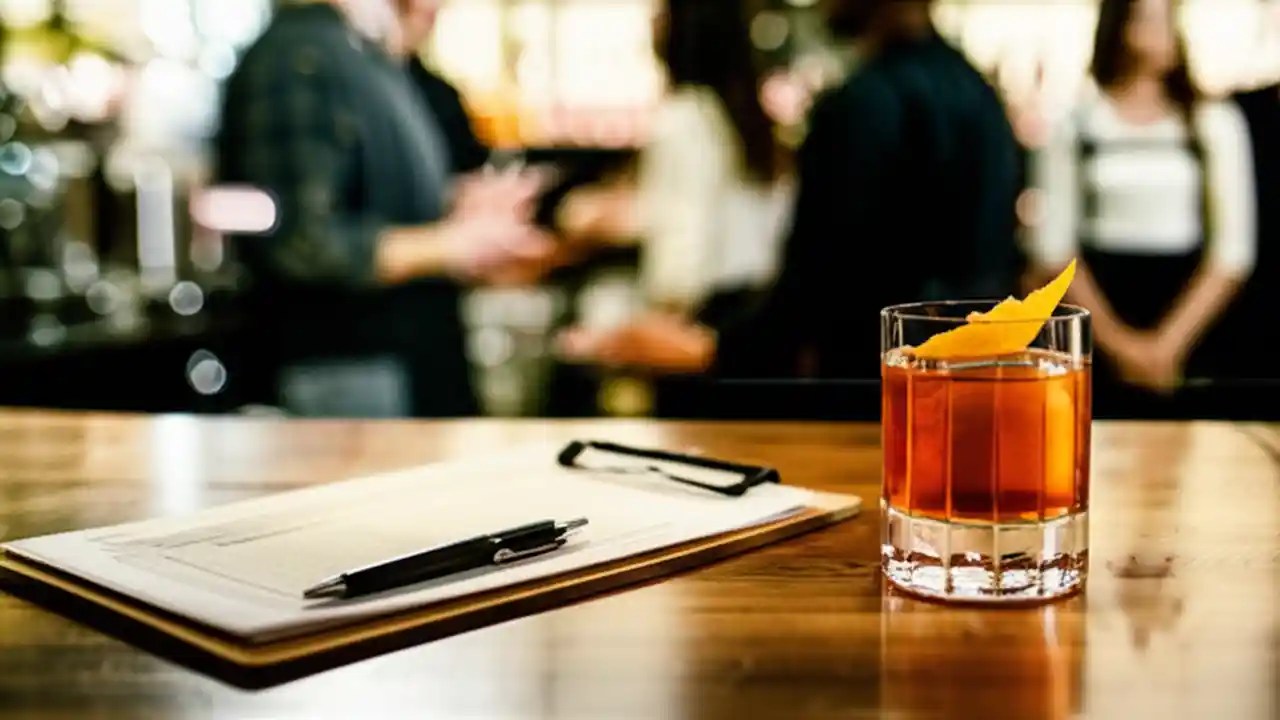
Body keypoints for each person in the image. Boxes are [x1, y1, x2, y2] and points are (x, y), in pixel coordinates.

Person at [559, 0, 1021, 387]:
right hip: (977, 381)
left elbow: (821, 280)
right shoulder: (979, 93)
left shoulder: (861, 106)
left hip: (872, 394)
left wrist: (715, 350)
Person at [217, 0, 552, 418]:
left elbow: (380, 199)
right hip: (343, 367)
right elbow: (302, 243)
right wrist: (453, 243)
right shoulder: (297, 56)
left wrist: (461, 207)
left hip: (401, 357)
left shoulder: (359, 52)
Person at [1030, 0, 1256, 406]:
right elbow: (1052, 248)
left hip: (1188, 316)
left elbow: (1232, 252)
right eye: (1145, 19)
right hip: (1101, 309)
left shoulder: (1210, 123)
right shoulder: (1078, 122)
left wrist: (1168, 345)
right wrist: (1120, 346)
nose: (1158, 31)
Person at [557, 0, 792, 327]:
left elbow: (682, 250)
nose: (652, 23)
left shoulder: (684, 117)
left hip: (703, 319)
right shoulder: (746, 117)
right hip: (754, 308)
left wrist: (655, 325)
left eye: (662, 13)